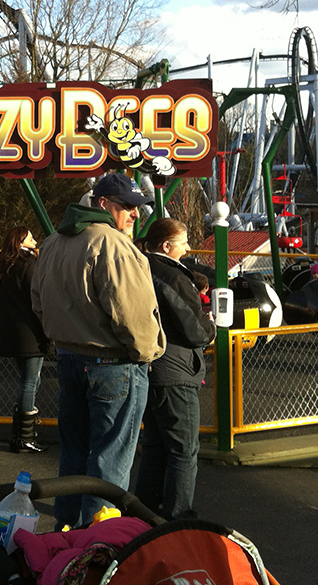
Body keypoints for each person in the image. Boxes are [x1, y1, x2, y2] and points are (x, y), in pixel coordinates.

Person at [31, 172, 164, 529]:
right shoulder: (114, 246)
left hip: (69, 359)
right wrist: (148, 352)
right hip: (113, 364)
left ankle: (65, 533)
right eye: (128, 208)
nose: (135, 215)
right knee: (110, 461)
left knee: (73, 455)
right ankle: (97, 542)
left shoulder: (53, 242)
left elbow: (38, 302)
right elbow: (132, 313)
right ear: (104, 205)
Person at [134, 218, 216, 520]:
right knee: (184, 449)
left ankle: (144, 510)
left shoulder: (141, 268)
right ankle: (179, 515)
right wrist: (212, 328)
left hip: (149, 365)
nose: (188, 247)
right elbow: (194, 329)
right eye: (183, 241)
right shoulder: (172, 276)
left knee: (155, 445)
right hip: (176, 369)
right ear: (167, 246)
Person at [0, 225, 50, 455]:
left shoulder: (4, 268)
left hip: (12, 329)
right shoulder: (29, 266)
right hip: (30, 332)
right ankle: (24, 436)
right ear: (20, 243)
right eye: (30, 237)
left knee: (28, 381)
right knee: (30, 382)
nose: (34, 240)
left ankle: (21, 434)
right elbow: (37, 299)